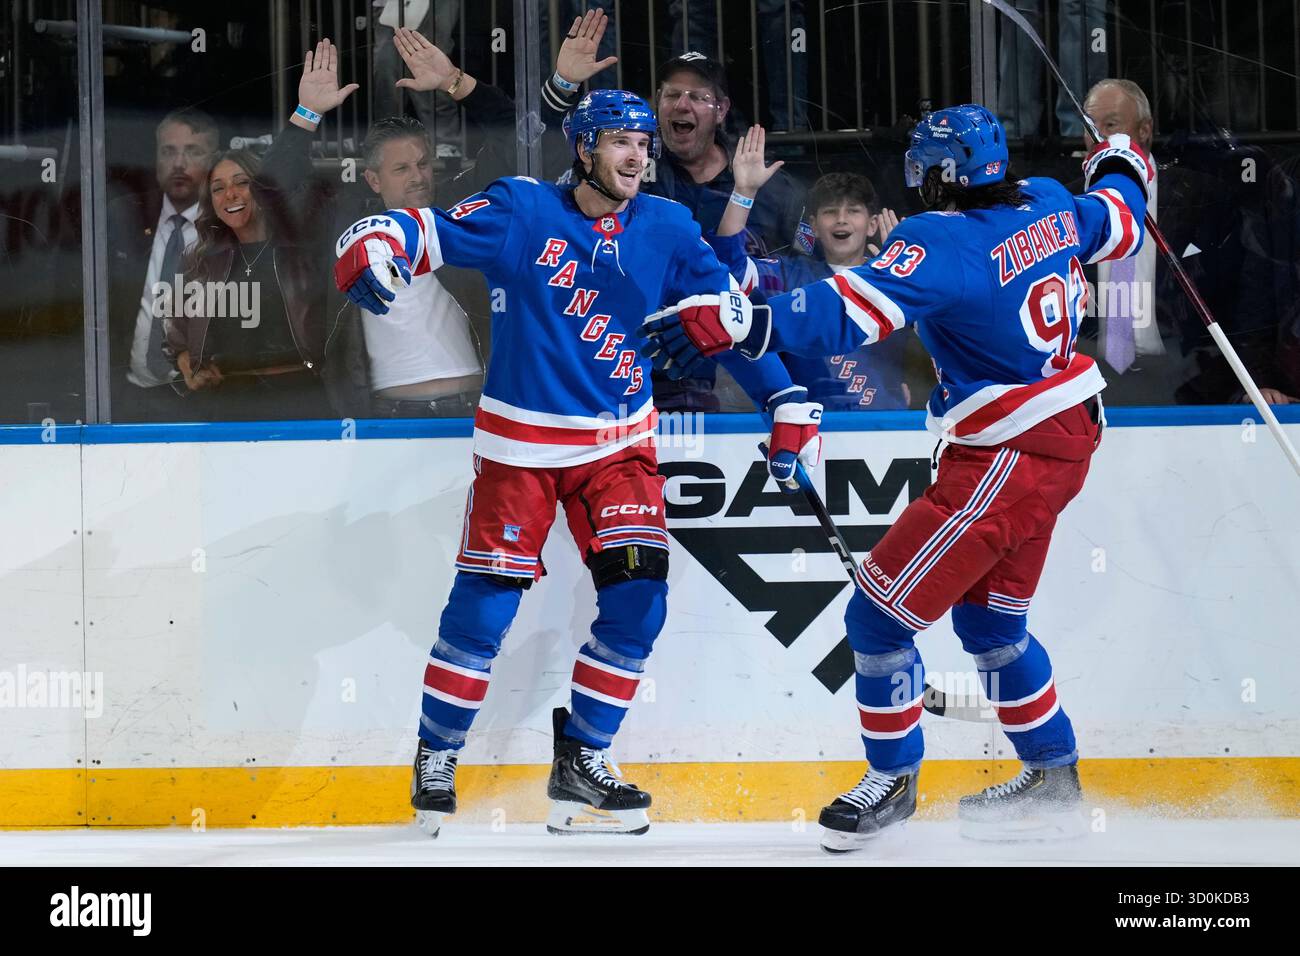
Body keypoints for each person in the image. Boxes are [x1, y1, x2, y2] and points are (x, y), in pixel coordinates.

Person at [642, 104, 1152, 852]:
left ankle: (895, 781)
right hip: (1061, 437)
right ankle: (1053, 774)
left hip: (1007, 452)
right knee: (989, 623)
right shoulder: (1046, 201)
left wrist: (745, 324)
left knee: (876, 620)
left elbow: (848, 309)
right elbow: (1122, 214)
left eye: (923, 159)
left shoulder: (939, 238)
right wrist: (1120, 156)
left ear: (942, 171)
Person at [333, 90, 820, 836]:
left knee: (638, 601)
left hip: (617, 448)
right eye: (620, 142)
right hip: (518, 450)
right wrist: (370, 244)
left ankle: (583, 760)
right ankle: (437, 753)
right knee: (484, 610)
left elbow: (724, 318)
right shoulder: (522, 211)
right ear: (583, 148)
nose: (637, 155)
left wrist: (783, 396)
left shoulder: (666, 224)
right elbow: (416, 230)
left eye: (643, 143)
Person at [708, 130, 911, 410]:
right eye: (830, 212)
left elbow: (939, 332)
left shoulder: (894, 279)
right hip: (806, 426)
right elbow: (729, 268)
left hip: (888, 427)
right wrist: (745, 192)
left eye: (853, 211)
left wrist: (902, 267)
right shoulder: (789, 275)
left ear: (873, 224)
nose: (841, 220)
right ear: (814, 226)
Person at [107, 107, 218, 421]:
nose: (179, 164)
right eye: (168, 152)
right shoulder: (122, 216)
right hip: (129, 400)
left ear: (212, 161)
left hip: (208, 403)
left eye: (193, 152)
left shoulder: (229, 225)